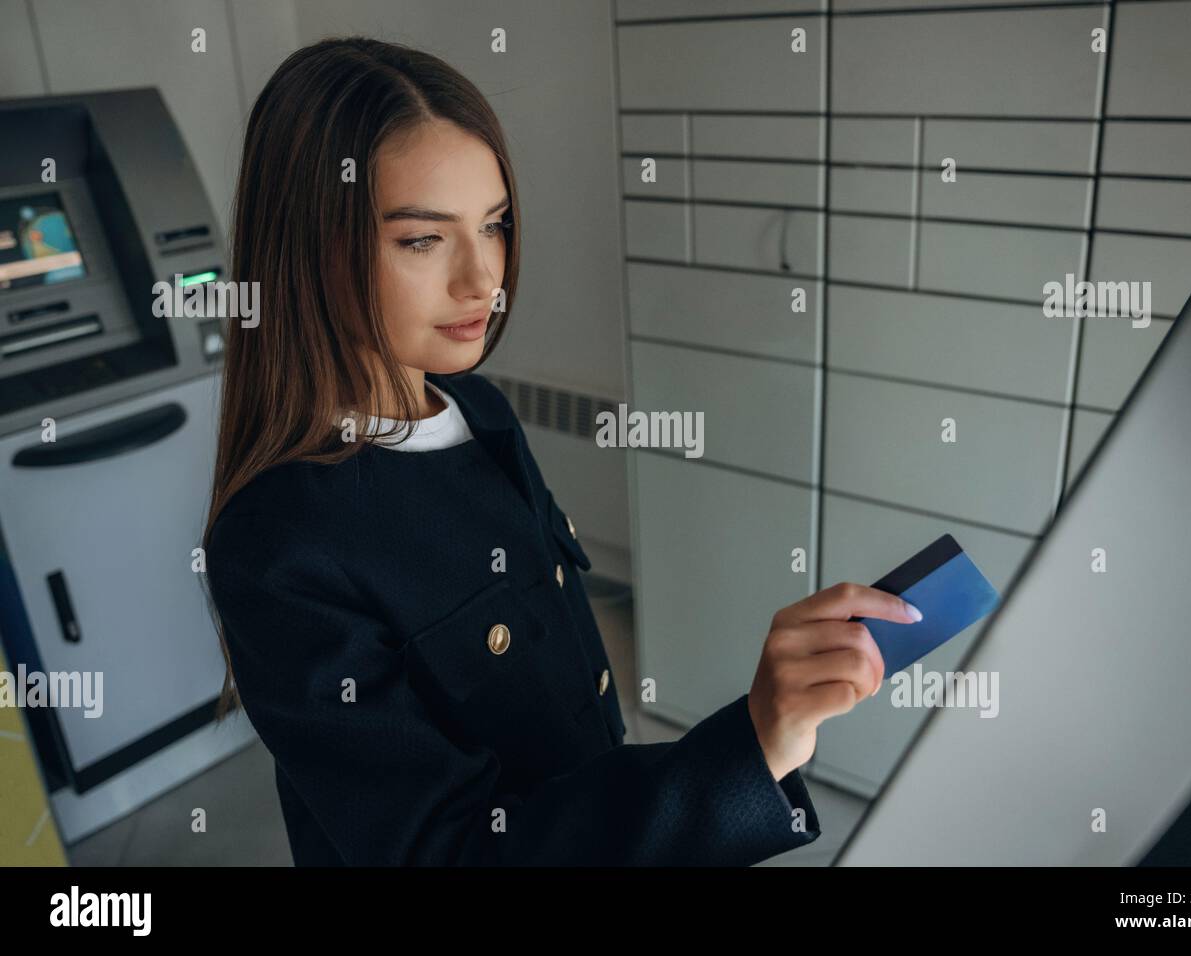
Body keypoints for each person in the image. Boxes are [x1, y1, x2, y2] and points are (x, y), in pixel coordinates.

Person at [201, 36, 920, 866]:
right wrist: (744, 750)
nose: (483, 278)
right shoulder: (279, 543)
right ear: (309, 244)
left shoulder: (477, 407)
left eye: (495, 225)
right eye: (423, 240)